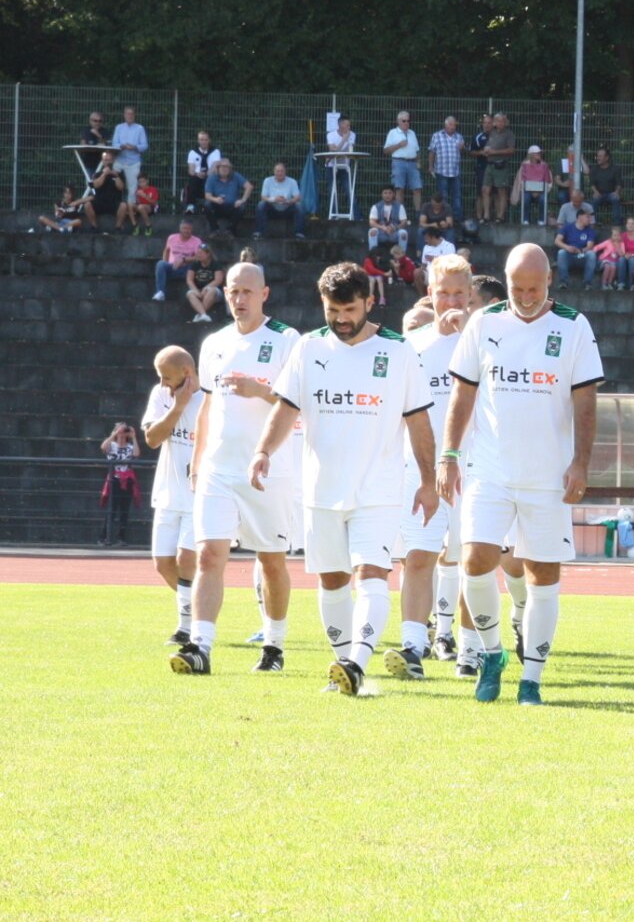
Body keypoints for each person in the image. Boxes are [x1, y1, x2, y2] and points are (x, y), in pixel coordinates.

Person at [254, 262, 435, 696]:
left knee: (372, 574)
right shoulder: (308, 348)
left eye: (349, 309)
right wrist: (263, 451)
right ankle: (344, 668)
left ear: (369, 303)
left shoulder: (398, 351)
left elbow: (419, 421)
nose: (340, 319)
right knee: (332, 579)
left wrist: (429, 481)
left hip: (378, 489)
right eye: (332, 310)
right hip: (321, 488)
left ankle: (357, 662)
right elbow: (285, 408)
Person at [438, 243, 605, 707]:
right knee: (474, 562)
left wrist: (580, 462)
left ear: (549, 281)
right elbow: (462, 395)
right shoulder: (484, 322)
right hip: (489, 470)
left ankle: (532, 678)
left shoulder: (573, 326)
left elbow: (585, 402)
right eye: (517, 288)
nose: (525, 297)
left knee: (542, 573)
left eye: (534, 288)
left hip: (548, 476)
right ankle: (492, 654)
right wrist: (448, 454)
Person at [172, 263, 301, 677]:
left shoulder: (286, 340)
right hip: (219, 469)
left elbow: (298, 406)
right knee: (209, 554)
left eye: (247, 291)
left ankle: (274, 644)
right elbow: (208, 405)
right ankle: (200, 647)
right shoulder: (214, 342)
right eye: (232, 291)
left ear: (264, 293)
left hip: (268, 471)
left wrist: (260, 390)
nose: (239, 299)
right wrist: (197, 459)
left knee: (272, 561)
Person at [398, 254, 475, 671]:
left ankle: (469, 649)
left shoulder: (484, 339)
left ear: (470, 296)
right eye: (442, 293)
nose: (450, 302)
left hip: (474, 466)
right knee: (418, 556)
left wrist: (467, 337)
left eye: (458, 294)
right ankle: (413, 646)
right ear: (430, 293)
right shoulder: (410, 345)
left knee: (472, 562)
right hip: (422, 468)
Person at [142, 345, 202, 642]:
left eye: (167, 377)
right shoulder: (160, 395)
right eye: (160, 377)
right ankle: (201, 604)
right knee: (163, 564)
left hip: (199, 496)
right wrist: (177, 406)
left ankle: (186, 627)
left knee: (187, 558)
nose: (163, 383)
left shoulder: (209, 399)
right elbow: (152, 439)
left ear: (186, 373)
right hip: (167, 493)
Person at [99, 420, 140, 546]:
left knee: (124, 510)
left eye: (124, 431)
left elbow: (137, 453)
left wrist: (133, 437)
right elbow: (103, 447)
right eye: (120, 431)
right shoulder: (112, 445)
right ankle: (104, 537)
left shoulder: (130, 446)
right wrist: (114, 434)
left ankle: (121, 538)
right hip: (114, 480)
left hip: (127, 480)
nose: (122, 433)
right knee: (111, 510)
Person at [152, 217, 207, 301]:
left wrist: (184, 259)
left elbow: (200, 257)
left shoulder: (197, 241)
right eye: (184, 228)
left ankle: (197, 292)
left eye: (188, 229)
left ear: (192, 230)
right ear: (180, 229)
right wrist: (166, 262)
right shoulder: (172, 238)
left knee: (195, 265)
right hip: (172, 267)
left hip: (187, 269)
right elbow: (166, 250)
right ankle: (160, 292)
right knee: (161, 264)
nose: (186, 231)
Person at [428, 116, 468, 223]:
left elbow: (464, 151)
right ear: (445, 125)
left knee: (457, 197)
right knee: (443, 196)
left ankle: (457, 219)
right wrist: (431, 166)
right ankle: (444, 218)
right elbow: (432, 152)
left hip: (455, 172)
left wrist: (463, 148)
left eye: (454, 125)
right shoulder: (437, 136)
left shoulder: (459, 137)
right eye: (450, 124)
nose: (452, 127)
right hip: (442, 171)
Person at [480, 113, 518, 224]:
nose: (500, 123)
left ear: (505, 122)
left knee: (501, 191)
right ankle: (486, 215)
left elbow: (511, 150)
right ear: (495, 122)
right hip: (489, 164)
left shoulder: (509, 134)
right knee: (485, 189)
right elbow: (488, 146)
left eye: (502, 121)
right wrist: (485, 151)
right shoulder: (492, 133)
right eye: (498, 121)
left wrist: (494, 152)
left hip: (501, 165)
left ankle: (500, 216)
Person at [384, 111, 423, 212]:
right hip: (398, 162)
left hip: (412, 163)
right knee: (399, 189)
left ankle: (418, 214)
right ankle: (399, 214)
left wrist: (418, 161)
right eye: (404, 121)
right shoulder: (393, 133)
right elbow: (386, 151)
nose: (406, 123)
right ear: (398, 121)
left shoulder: (412, 133)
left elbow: (417, 150)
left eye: (408, 121)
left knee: (417, 189)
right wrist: (399, 145)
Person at [256, 162, 306, 239]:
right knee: (261, 204)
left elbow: (297, 197)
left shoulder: (292, 181)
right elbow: (263, 197)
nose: (280, 173)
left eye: (281, 171)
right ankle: (260, 232)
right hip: (272, 209)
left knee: (299, 205)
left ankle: (299, 234)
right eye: (277, 171)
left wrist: (289, 201)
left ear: (285, 171)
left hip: (287, 208)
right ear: (274, 171)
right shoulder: (267, 181)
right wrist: (274, 199)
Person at [201, 158, 250, 235]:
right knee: (207, 205)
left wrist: (242, 200)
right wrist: (215, 199)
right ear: (218, 168)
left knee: (242, 207)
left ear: (230, 168)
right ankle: (214, 230)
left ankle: (231, 230)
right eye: (222, 166)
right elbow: (207, 195)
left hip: (232, 207)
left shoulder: (236, 176)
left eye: (227, 167)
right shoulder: (212, 178)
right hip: (217, 206)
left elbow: (249, 186)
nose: (225, 169)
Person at [112, 104, 148, 206]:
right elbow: (114, 144)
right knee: (113, 181)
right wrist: (121, 146)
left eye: (131, 114)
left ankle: (131, 208)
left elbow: (145, 145)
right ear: (124, 115)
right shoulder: (118, 127)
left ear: (135, 115)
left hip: (133, 161)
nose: (130, 116)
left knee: (133, 187)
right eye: (127, 114)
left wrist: (135, 147)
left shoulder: (140, 128)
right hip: (120, 160)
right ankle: (115, 205)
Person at [555, 207, 600, 288]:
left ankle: (587, 283)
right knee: (561, 253)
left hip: (582, 256)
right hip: (569, 256)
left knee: (591, 254)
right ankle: (563, 282)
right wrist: (567, 247)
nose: (589, 219)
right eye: (587, 217)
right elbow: (557, 241)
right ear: (580, 217)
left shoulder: (590, 230)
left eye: (590, 217)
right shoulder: (567, 227)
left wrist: (580, 250)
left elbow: (590, 246)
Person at [184, 246, 222, 322]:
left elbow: (218, 280)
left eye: (201, 253)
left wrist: (206, 288)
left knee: (212, 291)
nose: (198, 255)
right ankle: (204, 315)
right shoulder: (195, 264)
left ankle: (199, 314)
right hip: (198, 290)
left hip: (213, 290)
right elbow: (189, 280)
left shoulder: (215, 264)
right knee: (190, 294)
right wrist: (195, 291)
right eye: (198, 253)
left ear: (208, 254)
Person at [587, 145, 624, 224]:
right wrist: (595, 192)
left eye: (600, 156)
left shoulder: (615, 169)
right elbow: (592, 183)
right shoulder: (594, 169)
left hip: (611, 193)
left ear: (607, 158)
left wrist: (617, 192)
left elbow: (619, 183)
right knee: (594, 201)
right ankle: (592, 223)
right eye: (597, 156)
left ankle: (617, 224)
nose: (598, 158)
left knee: (615, 199)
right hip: (599, 193)